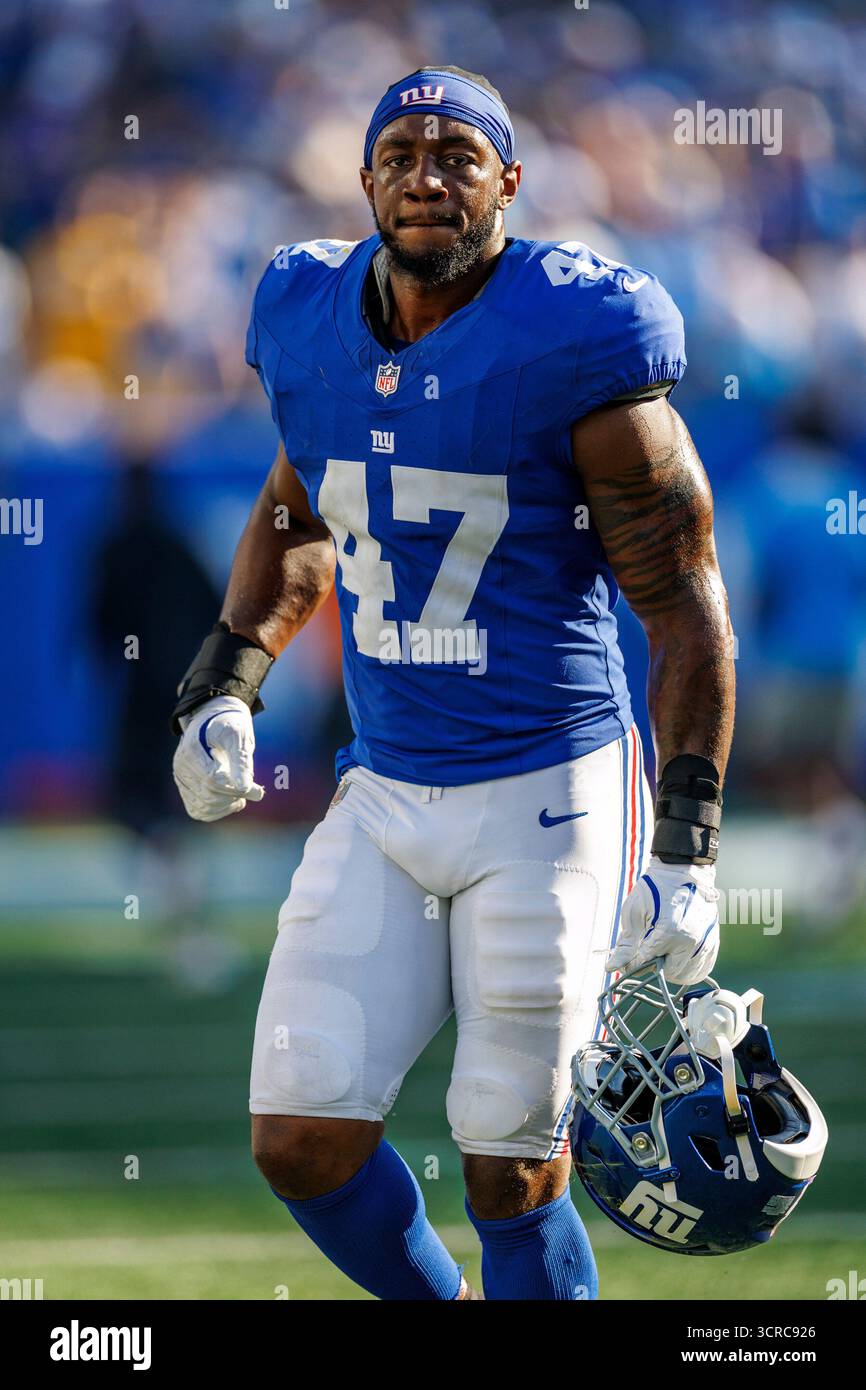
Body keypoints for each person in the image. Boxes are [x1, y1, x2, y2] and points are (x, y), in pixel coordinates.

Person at [171, 66, 735, 1300]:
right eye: (401, 155)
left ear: (507, 182)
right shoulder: (304, 313)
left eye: (456, 157)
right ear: (364, 178)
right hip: (384, 786)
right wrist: (227, 677)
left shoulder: (575, 333)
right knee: (300, 1132)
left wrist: (687, 842)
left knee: (508, 1158)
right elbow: (300, 503)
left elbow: (683, 601)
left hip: (552, 787)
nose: (425, 178)